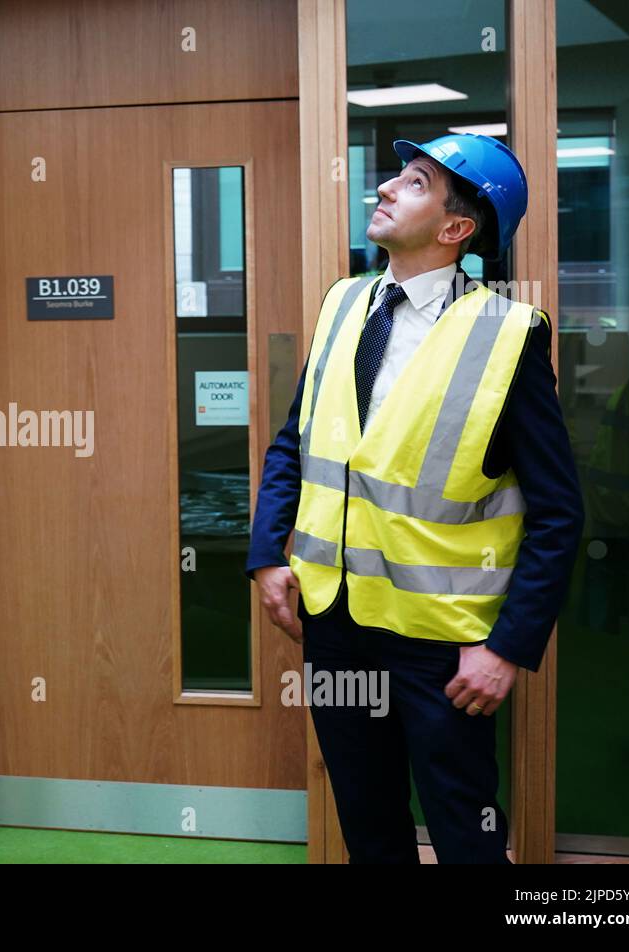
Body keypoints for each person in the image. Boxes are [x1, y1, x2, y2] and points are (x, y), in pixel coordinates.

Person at [247, 133, 585, 863]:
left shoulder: (507, 335)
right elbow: (294, 443)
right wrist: (265, 556)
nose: (386, 189)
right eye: (396, 177)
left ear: (457, 227)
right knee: (369, 826)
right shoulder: (342, 305)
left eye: (415, 182)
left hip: (441, 646)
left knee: (465, 833)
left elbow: (560, 513)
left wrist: (508, 649)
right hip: (333, 626)